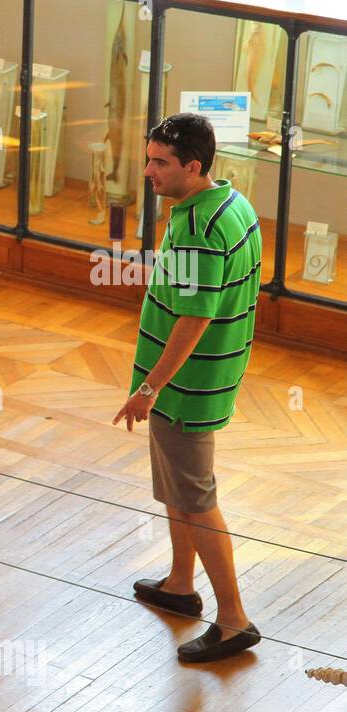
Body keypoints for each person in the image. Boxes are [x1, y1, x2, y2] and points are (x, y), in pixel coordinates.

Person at [112, 112, 262, 663]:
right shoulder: (229, 203)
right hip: (203, 377)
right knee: (180, 490)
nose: (147, 170)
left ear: (192, 166)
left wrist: (149, 388)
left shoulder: (199, 228)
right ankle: (180, 581)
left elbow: (194, 319)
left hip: (185, 385)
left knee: (198, 501)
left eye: (159, 162)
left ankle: (234, 621)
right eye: (148, 157)